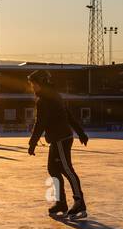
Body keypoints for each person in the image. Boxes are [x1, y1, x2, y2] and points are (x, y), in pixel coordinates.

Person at [27, 70, 89, 218]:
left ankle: (79, 201)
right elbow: (69, 115)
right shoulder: (54, 96)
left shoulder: (45, 100)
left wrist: (32, 143)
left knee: (67, 169)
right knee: (53, 169)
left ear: (41, 83)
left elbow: (41, 123)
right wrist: (80, 132)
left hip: (61, 138)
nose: (32, 87)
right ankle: (61, 202)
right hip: (58, 138)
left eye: (33, 84)